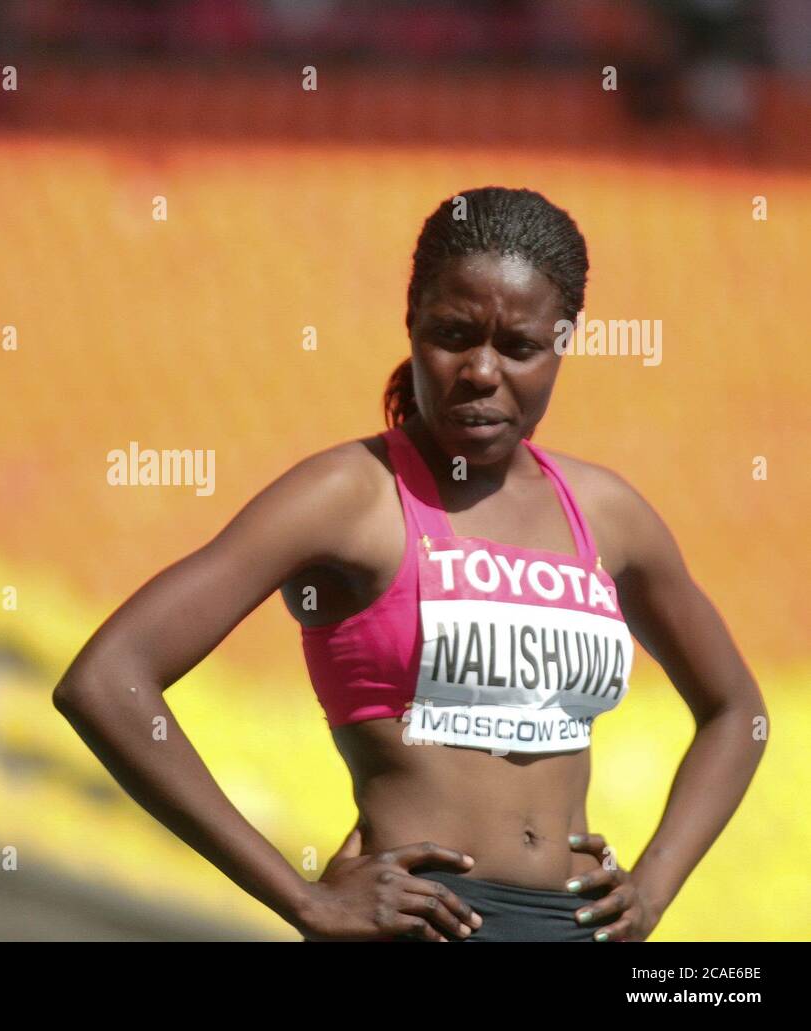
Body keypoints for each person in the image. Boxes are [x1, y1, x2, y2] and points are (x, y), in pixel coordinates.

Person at [52, 186, 767, 942]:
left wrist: (653, 886)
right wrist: (304, 899)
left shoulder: (608, 513)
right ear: (411, 325)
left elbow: (737, 714)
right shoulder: (347, 495)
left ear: (563, 342)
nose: (481, 371)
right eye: (453, 335)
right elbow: (105, 680)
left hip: (575, 926)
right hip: (419, 926)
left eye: (518, 346)